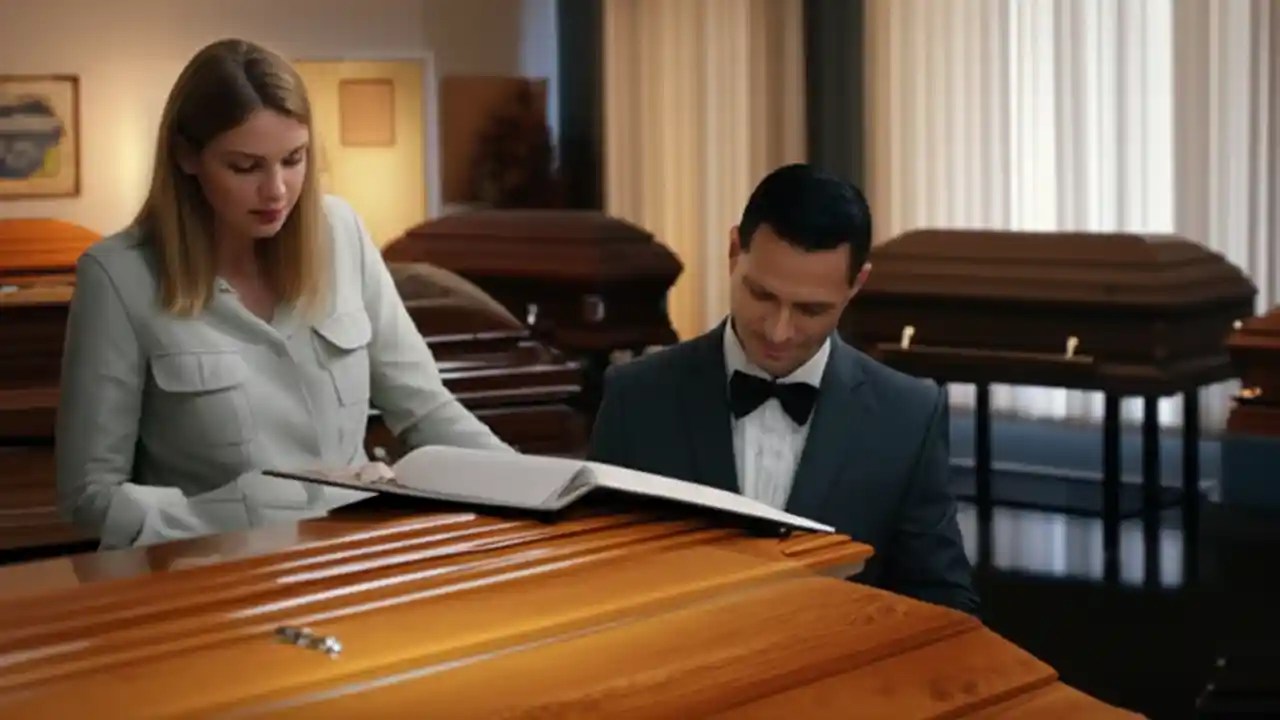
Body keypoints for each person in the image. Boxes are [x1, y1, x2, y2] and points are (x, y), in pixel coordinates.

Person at [55, 39, 511, 550]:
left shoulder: (340, 231)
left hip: (354, 561)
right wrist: (247, 511)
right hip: (215, 576)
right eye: (245, 167)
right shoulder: (118, 276)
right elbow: (89, 497)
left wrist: (536, 487)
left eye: (293, 159)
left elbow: (426, 410)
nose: (276, 190)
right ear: (186, 156)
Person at [587, 163, 979, 614]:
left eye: (811, 310)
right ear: (733, 252)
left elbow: (943, 603)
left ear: (857, 285)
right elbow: (598, 582)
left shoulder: (909, 415)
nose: (779, 331)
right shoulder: (635, 397)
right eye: (762, 295)